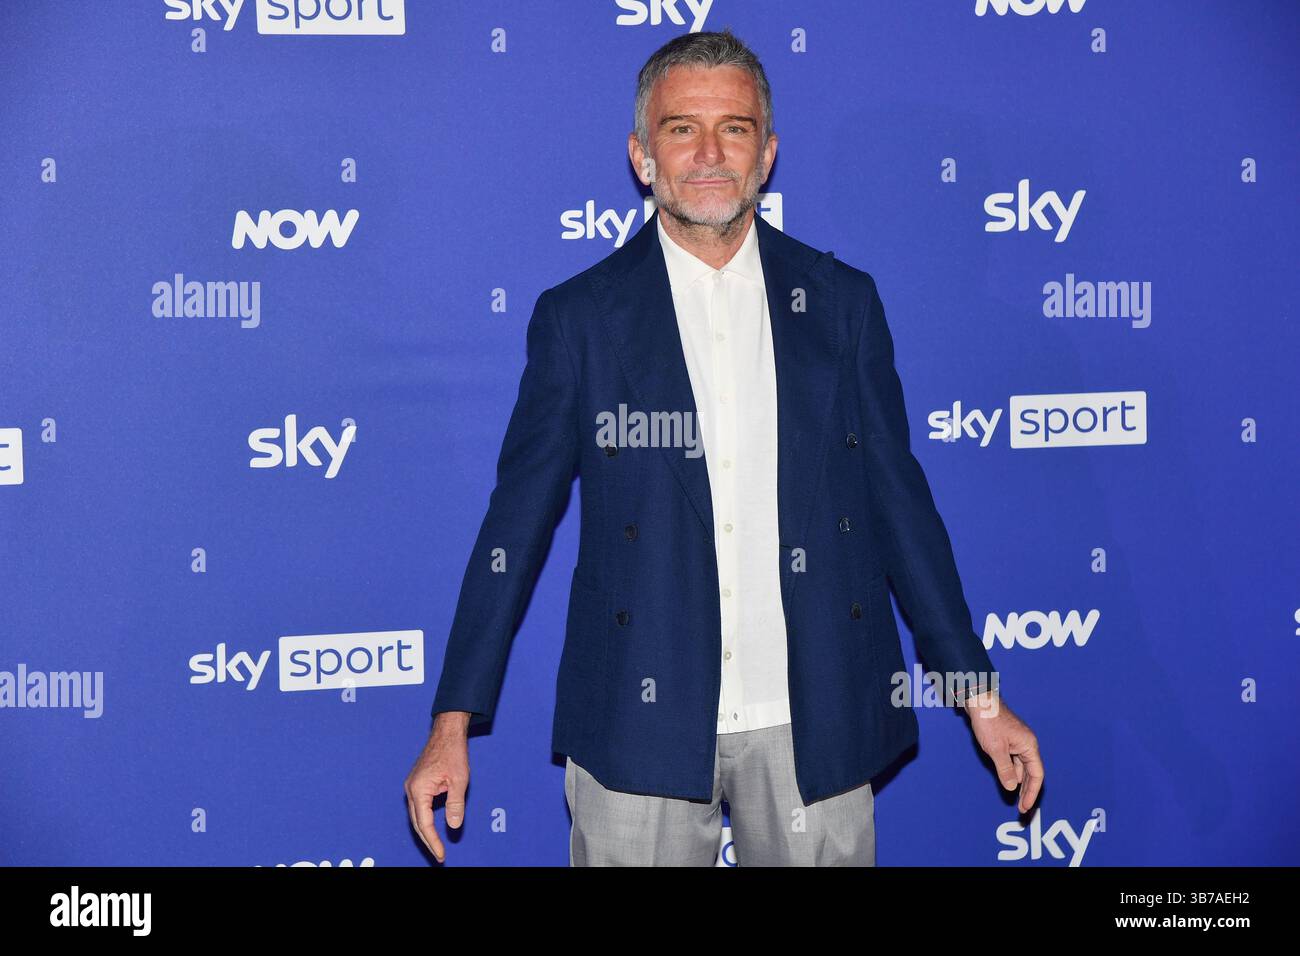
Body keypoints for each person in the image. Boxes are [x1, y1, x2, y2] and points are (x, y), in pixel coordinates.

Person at [405, 29, 1043, 866]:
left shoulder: (843, 305)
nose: (709, 153)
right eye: (681, 129)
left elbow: (901, 507)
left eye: (734, 128)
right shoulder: (580, 320)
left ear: (767, 152)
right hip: (639, 723)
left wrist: (978, 695)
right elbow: (513, 530)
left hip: (814, 716)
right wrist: (451, 722)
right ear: (643, 157)